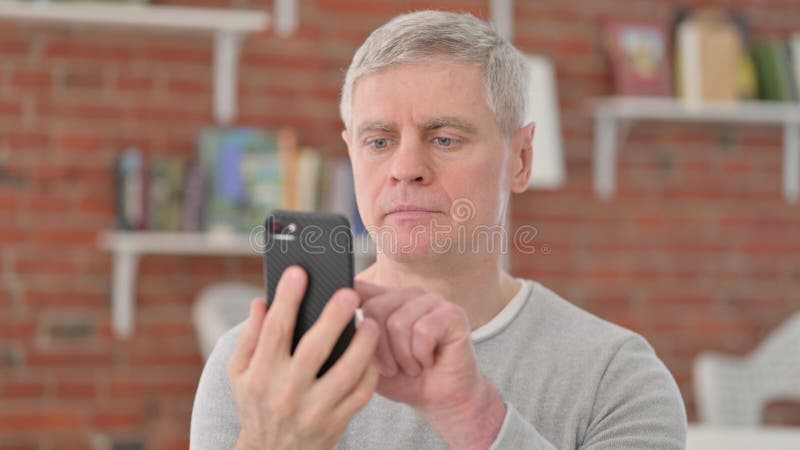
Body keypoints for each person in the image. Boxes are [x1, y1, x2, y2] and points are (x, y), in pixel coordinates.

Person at [190, 10, 687, 450]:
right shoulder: (253, 370)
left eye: (445, 138)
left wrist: (477, 421)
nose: (406, 168)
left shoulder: (617, 378)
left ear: (521, 158)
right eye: (379, 141)